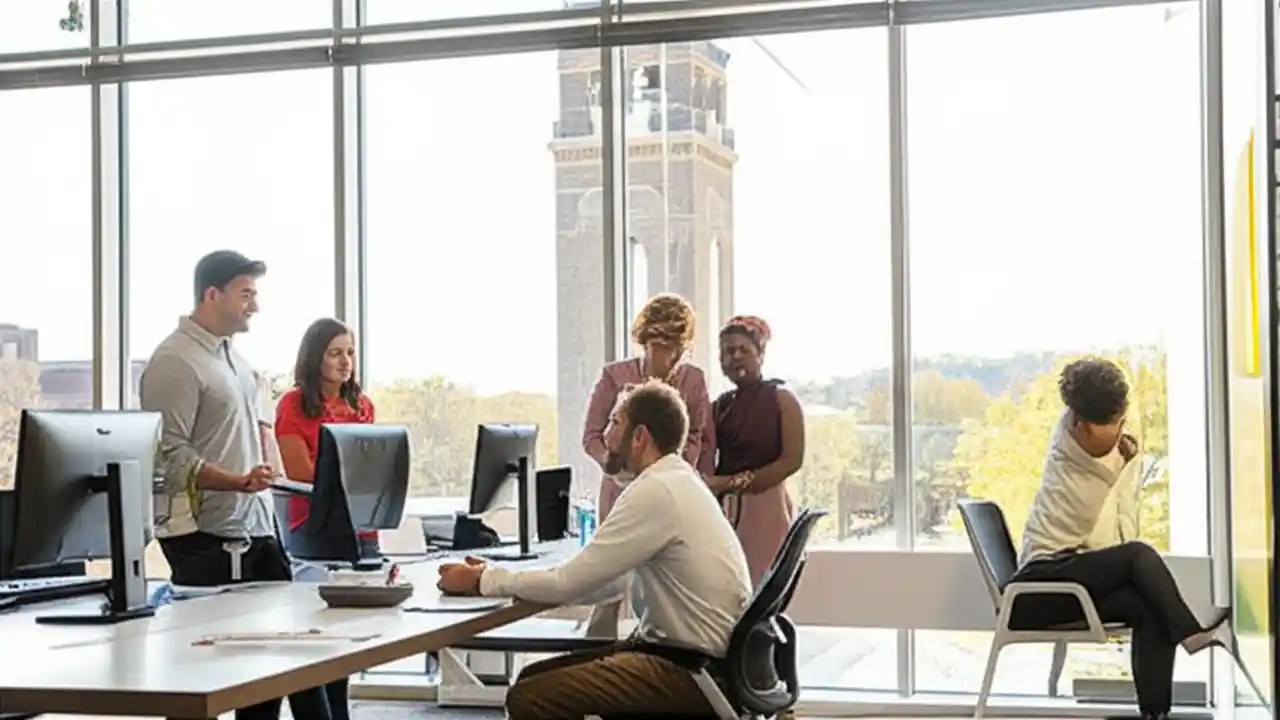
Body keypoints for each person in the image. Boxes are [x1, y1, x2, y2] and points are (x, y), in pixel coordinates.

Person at [438, 380, 752, 719]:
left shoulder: (656, 491)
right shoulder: (677, 480)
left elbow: (567, 584)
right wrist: (502, 577)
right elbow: (609, 582)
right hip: (696, 660)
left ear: (639, 436)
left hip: (690, 671)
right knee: (533, 679)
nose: (604, 434)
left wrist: (484, 580)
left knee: (532, 698)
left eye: (615, 422)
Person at [140, 250, 334, 720]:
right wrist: (238, 481)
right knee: (203, 680)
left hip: (255, 525)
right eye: (246, 294)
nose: (255, 305)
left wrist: (266, 473)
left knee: (291, 658)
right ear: (212, 294)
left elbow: (253, 431)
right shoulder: (175, 361)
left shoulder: (234, 360)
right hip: (205, 535)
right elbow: (169, 455)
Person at [1009, 357, 1233, 720]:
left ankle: (1155, 715)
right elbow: (1096, 488)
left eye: (1119, 420)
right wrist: (1122, 458)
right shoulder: (1071, 452)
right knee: (1136, 556)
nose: (1117, 431)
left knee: (1149, 607)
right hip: (1036, 587)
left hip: (1067, 580)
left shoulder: (1091, 435)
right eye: (1108, 425)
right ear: (1079, 424)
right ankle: (1192, 634)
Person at [583, 292, 714, 521]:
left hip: (671, 493)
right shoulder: (614, 376)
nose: (668, 357)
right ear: (644, 342)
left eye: (675, 347)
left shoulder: (693, 380)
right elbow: (591, 437)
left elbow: (696, 437)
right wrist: (613, 464)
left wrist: (674, 470)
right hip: (620, 493)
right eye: (659, 346)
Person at [710, 315, 805, 587]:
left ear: (760, 355)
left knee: (760, 590)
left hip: (767, 507)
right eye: (729, 351)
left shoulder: (782, 398)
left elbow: (792, 460)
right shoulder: (720, 406)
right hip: (727, 511)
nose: (736, 357)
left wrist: (733, 483)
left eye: (744, 350)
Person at [275, 317, 377, 555]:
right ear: (315, 358)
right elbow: (300, 474)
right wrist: (354, 478)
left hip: (361, 525)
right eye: (335, 353)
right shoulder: (293, 404)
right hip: (314, 524)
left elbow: (373, 467)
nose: (346, 362)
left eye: (350, 353)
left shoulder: (362, 405)